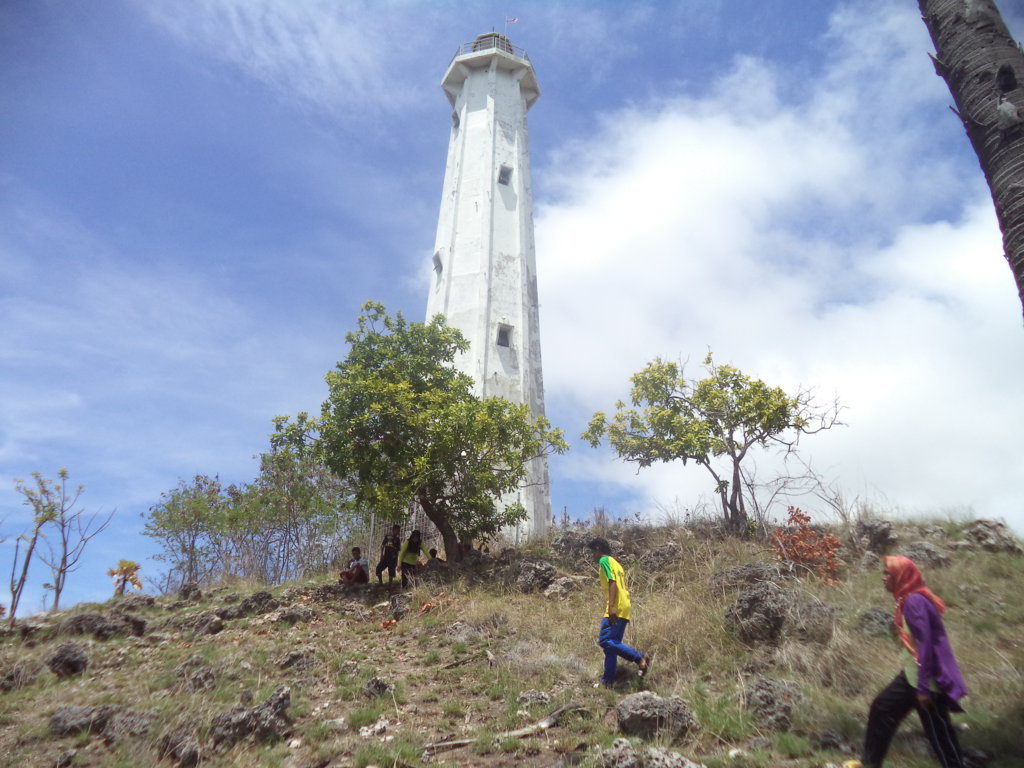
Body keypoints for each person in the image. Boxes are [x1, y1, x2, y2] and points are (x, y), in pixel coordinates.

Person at [844, 556, 967, 768]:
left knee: (940, 736)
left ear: (900, 576)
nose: (883, 578)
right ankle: (870, 763)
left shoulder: (914, 603)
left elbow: (926, 646)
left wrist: (923, 690)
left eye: (887, 573)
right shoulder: (908, 600)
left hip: (927, 682)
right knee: (882, 707)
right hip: (912, 677)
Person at [587, 537, 650, 687]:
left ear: (597, 549)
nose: (592, 556)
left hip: (617, 606)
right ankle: (607, 681)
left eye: (592, 552)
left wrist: (611, 607)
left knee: (605, 640)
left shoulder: (604, 561)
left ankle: (639, 658)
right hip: (625, 606)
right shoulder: (616, 563)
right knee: (611, 647)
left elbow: (612, 582)